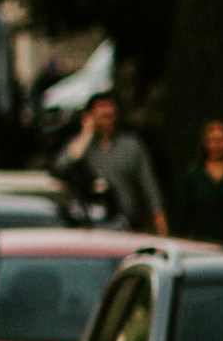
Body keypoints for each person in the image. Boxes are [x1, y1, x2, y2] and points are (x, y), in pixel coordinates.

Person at [60, 92, 171, 236]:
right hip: (89, 227)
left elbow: (151, 190)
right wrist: (86, 133)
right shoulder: (79, 145)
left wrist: (162, 229)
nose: (107, 121)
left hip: (126, 224)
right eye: (102, 116)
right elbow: (63, 167)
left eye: (111, 116)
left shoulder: (131, 145)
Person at [179, 118, 223, 248]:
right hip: (202, 244)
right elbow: (185, 213)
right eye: (212, 140)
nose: (217, 145)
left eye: (221, 140)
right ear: (205, 143)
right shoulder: (194, 176)